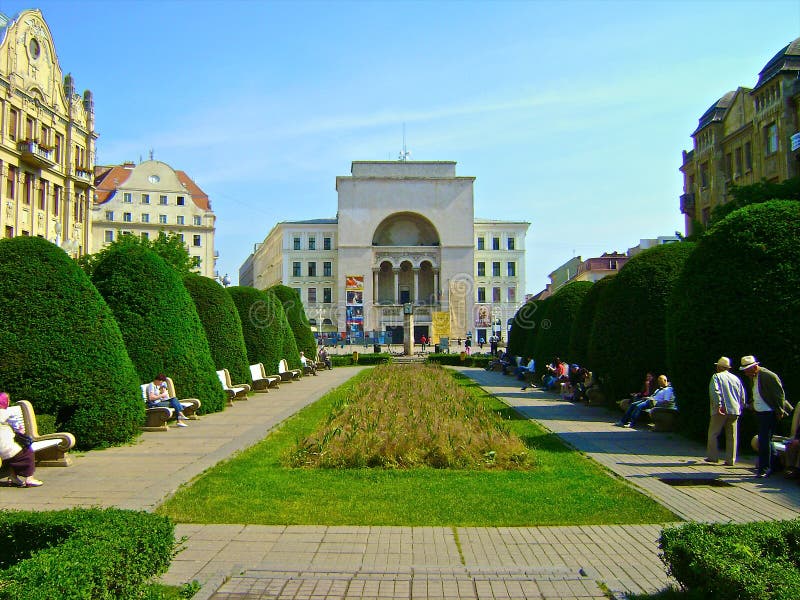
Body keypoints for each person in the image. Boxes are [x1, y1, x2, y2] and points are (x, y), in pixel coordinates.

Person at [740, 355, 793, 478]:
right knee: (766, 440)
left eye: (747, 369)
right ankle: (775, 465)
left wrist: (779, 411)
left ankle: (764, 468)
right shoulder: (753, 377)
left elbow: (779, 394)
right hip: (759, 412)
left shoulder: (768, 375)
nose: (746, 373)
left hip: (769, 412)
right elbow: (756, 393)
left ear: (754, 366)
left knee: (763, 440)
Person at [706, 356, 746, 465]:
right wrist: (740, 407)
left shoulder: (716, 376)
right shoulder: (736, 378)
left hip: (722, 409)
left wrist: (718, 405)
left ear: (719, 367)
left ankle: (713, 457)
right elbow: (742, 396)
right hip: (734, 409)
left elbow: (715, 391)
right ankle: (731, 460)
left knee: (713, 433)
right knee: (732, 436)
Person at [0, 392, 43, 487]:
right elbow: (18, 428)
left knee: (10, 458)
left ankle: (13, 476)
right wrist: (20, 431)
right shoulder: (6, 413)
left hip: (2, 450)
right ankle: (29, 478)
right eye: (8, 400)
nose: (9, 401)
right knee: (28, 452)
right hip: (7, 446)